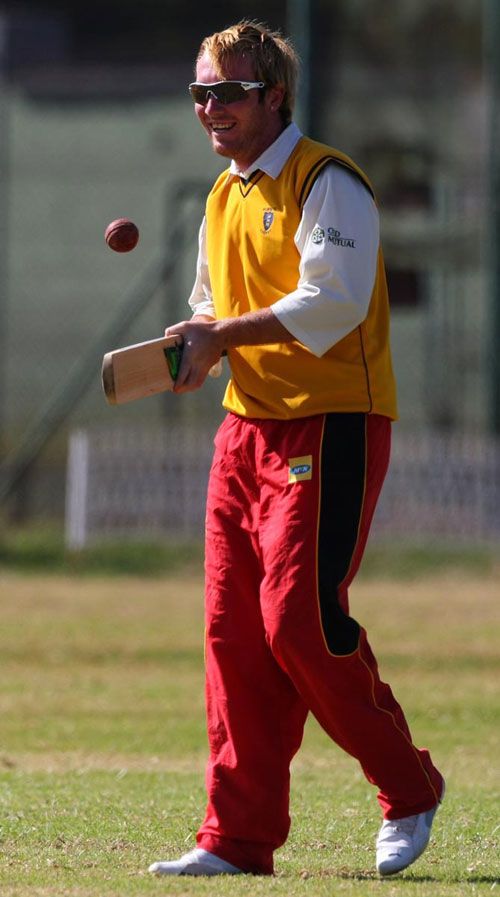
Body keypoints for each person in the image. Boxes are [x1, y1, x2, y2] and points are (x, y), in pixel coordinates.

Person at [148, 20, 444, 879]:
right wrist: (187, 352)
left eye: (229, 92)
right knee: (233, 632)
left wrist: (221, 337)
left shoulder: (329, 180)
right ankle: (235, 840)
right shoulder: (221, 195)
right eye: (201, 93)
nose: (212, 109)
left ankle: (409, 786)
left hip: (332, 419)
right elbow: (213, 315)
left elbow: (333, 301)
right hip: (245, 429)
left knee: (298, 623)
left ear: (274, 93)